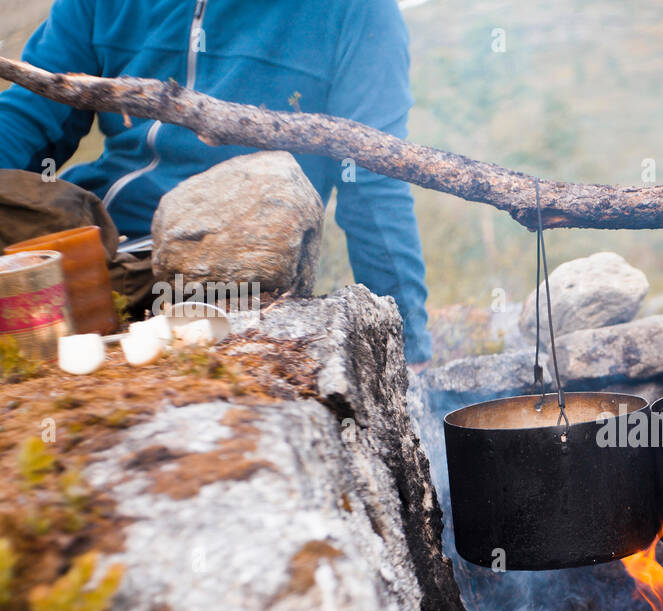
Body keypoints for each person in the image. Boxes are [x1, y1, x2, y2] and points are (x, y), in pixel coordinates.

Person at [0, 0, 434, 369]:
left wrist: (405, 350)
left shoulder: (354, 10)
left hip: (224, 266)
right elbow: (28, 115)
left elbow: (375, 183)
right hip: (93, 236)